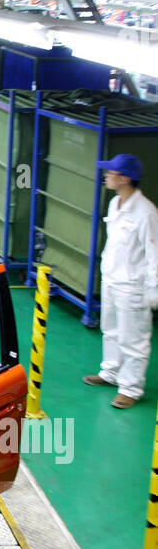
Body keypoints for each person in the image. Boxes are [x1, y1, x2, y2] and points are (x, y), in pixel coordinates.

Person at [83, 154, 158, 409]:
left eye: (111, 173)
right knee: (111, 330)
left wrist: (153, 289)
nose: (106, 176)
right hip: (112, 280)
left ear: (124, 178)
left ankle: (131, 388)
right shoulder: (116, 203)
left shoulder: (146, 213)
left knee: (134, 338)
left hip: (133, 287)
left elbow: (154, 254)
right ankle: (111, 373)